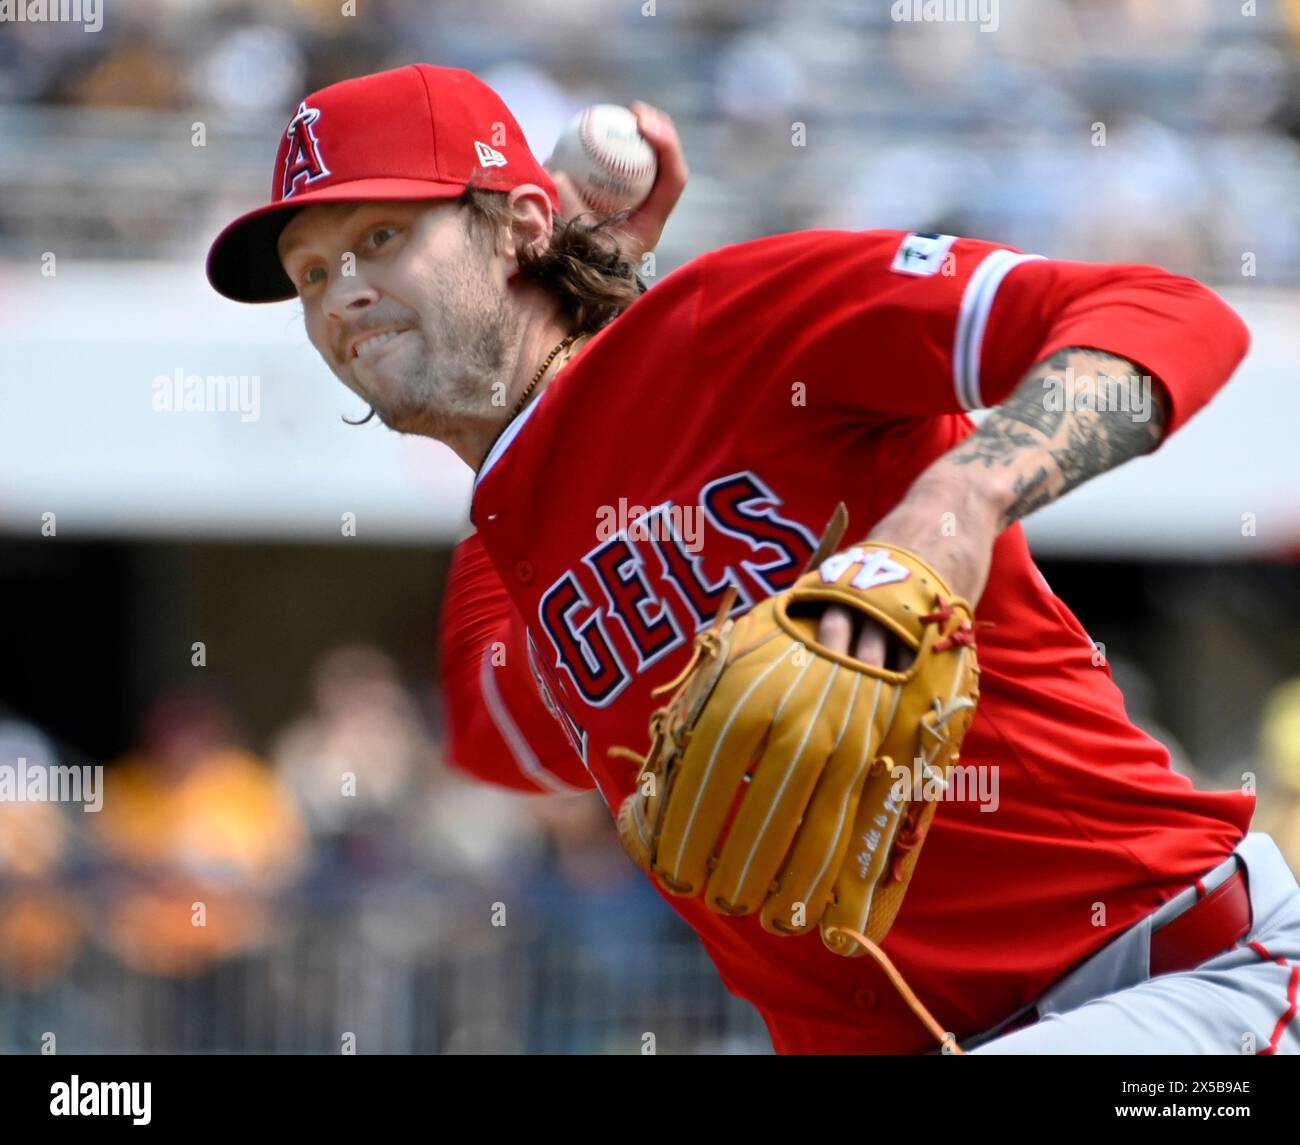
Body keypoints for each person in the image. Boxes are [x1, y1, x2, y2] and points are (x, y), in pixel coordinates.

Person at [206, 63, 1300, 1054]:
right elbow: (497, 739)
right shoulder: (520, 550)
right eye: (311, 273)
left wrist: (960, 499)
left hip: (1181, 980)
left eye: (381, 238)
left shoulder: (729, 324)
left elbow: (1167, 310)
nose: (342, 293)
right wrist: (574, 321)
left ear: (519, 226)